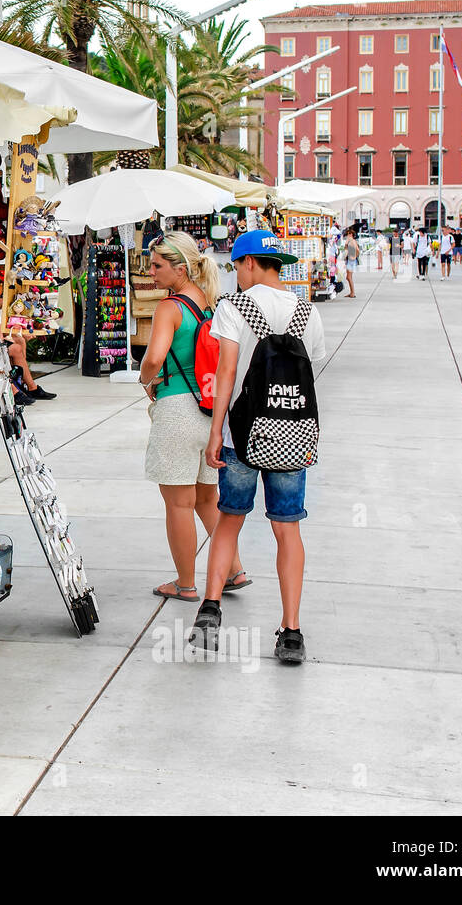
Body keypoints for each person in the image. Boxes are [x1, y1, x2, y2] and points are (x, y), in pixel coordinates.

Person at [189, 229, 327, 664]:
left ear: (249, 263)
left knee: (229, 520)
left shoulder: (234, 308)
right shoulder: (307, 312)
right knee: (287, 529)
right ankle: (291, 632)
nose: (236, 276)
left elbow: (226, 375)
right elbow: (307, 376)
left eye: (236, 267)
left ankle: (210, 610)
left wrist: (216, 433)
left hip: (241, 437)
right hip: (290, 435)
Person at [138, 232, 250, 602]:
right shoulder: (207, 302)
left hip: (177, 411)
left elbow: (154, 358)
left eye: (157, 266)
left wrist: (145, 379)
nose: (150, 272)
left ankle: (185, 584)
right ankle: (233, 570)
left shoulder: (170, 308)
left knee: (178, 503)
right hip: (208, 410)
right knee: (206, 499)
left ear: (180, 269)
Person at [343, 228, 359, 297]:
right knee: (348, 277)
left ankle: (352, 293)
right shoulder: (350, 241)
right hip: (349, 259)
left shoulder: (353, 241)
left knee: (349, 277)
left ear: (351, 234)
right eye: (347, 234)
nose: (347, 235)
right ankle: (351, 292)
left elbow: (357, 250)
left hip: (351, 260)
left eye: (349, 234)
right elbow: (346, 249)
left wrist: (355, 256)